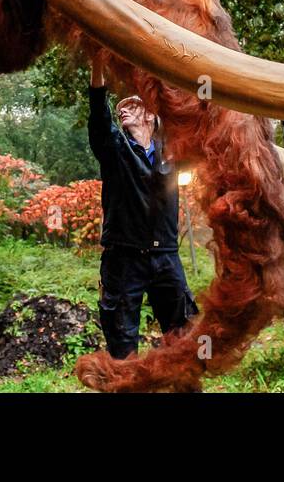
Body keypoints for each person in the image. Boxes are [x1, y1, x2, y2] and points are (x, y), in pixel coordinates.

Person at [87, 59, 198, 359]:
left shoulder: (172, 152)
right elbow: (99, 112)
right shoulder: (114, 149)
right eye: (120, 106)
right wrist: (96, 64)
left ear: (150, 114)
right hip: (124, 259)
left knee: (183, 335)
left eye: (132, 105)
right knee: (121, 342)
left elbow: (194, 116)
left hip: (165, 258)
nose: (123, 108)